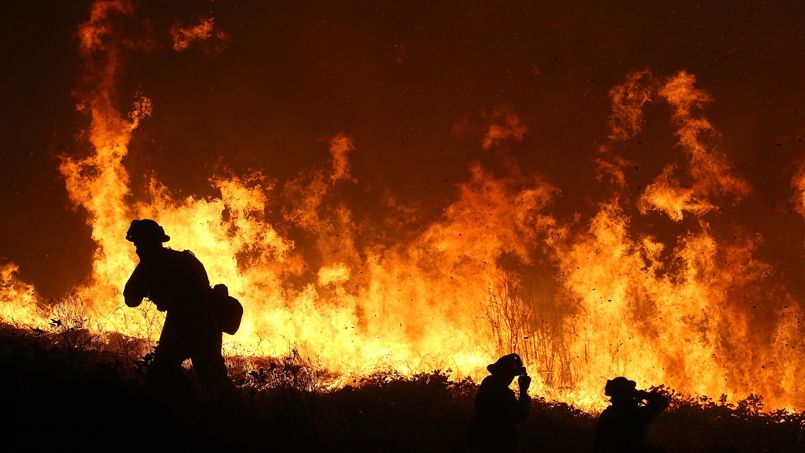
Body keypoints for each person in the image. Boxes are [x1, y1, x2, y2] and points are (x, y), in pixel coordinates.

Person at [123, 218, 233, 396]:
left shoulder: (149, 265)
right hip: (208, 322)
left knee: (160, 373)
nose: (137, 249)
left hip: (182, 322)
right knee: (213, 376)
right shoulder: (187, 260)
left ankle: (181, 407)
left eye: (138, 243)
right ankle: (235, 414)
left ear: (147, 242)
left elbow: (131, 299)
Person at [470, 353, 532, 452]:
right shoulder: (504, 394)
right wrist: (523, 391)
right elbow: (520, 417)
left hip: (479, 435)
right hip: (499, 441)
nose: (511, 378)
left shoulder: (487, 382)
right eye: (511, 375)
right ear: (506, 375)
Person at [593, 376, 669, 453]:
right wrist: (640, 394)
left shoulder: (607, 415)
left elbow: (598, 443)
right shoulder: (638, 414)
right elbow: (662, 402)